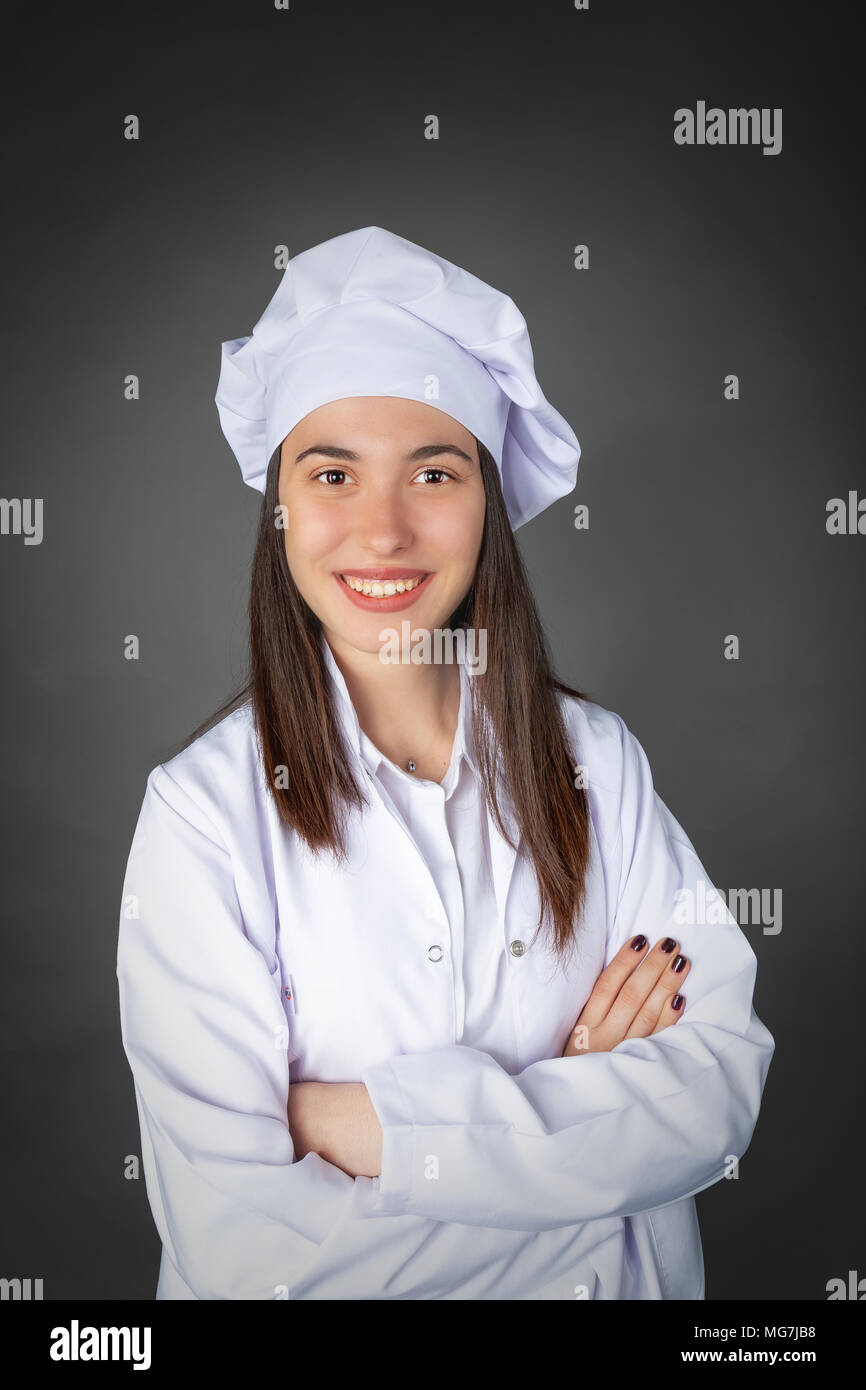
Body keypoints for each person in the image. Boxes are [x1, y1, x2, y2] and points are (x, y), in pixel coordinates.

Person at [116, 226, 774, 1300]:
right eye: (332, 473)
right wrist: (578, 1134)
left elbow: (715, 1092)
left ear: (488, 506)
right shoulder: (201, 816)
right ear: (279, 508)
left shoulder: (596, 765)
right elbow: (245, 1259)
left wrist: (367, 1127)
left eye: (433, 469)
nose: (381, 531)